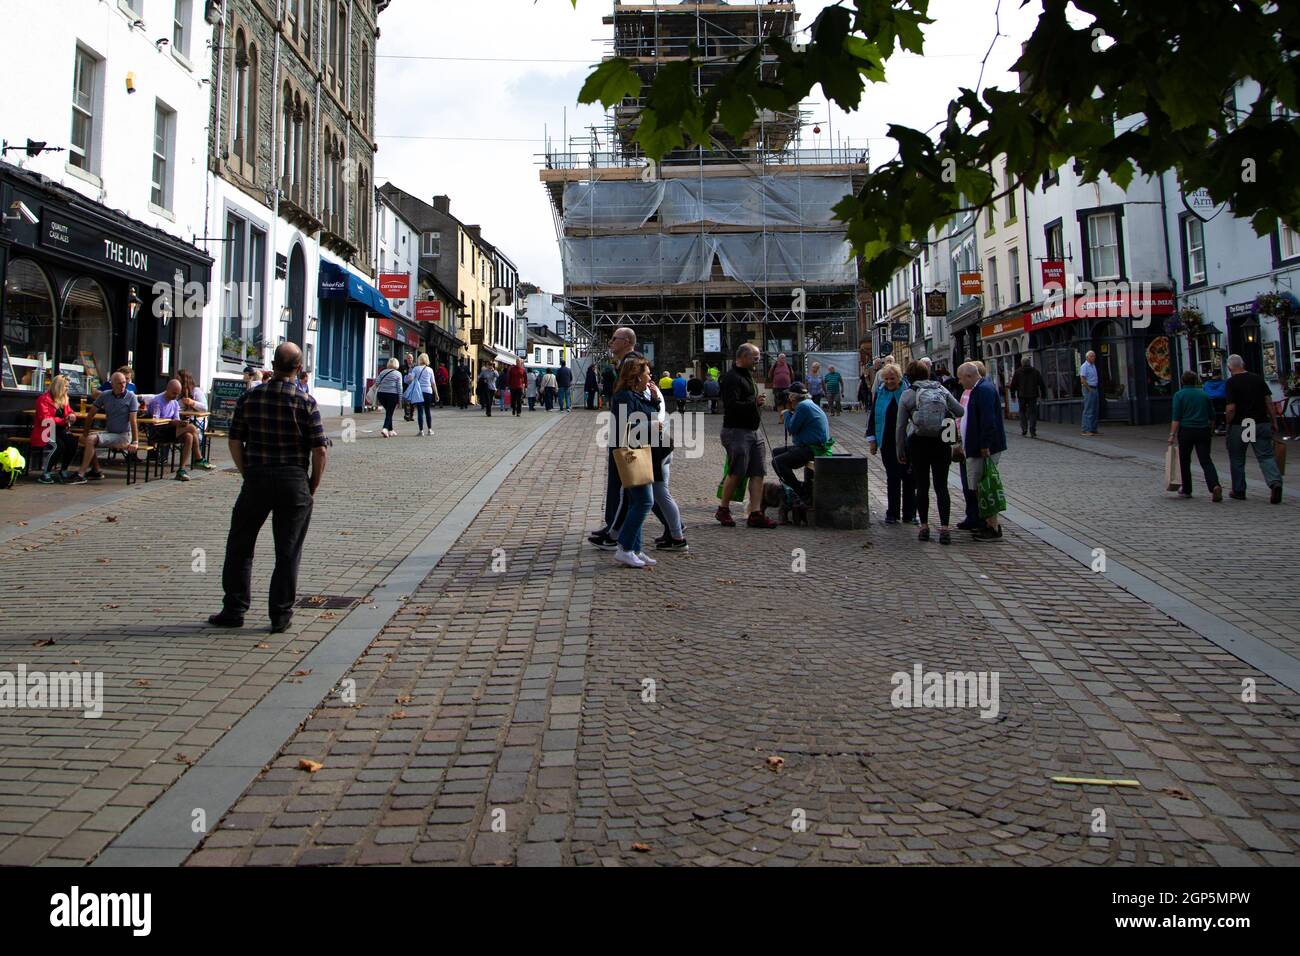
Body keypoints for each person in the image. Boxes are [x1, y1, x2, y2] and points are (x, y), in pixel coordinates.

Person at [209, 342, 327, 634]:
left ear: (273, 365)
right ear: (298, 368)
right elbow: (319, 450)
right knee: (287, 550)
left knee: (240, 544)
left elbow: (234, 440)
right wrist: (312, 483)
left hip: (257, 478)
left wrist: (245, 471)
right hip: (293, 480)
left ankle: (234, 608)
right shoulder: (306, 402)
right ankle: (280, 614)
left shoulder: (250, 398)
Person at [590, 328, 650, 549]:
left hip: (629, 435)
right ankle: (615, 528)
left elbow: (644, 396)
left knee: (637, 491)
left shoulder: (632, 363)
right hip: (624, 431)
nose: (610, 342)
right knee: (633, 489)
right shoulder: (624, 363)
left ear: (626, 341)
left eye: (614, 339)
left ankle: (617, 533)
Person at [895, 361, 964, 544]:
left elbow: (901, 426)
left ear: (909, 377)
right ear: (927, 373)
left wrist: (900, 450)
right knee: (942, 487)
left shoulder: (908, 395)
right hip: (941, 443)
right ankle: (945, 529)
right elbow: (960, 411)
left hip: (918, 444)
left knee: (922, 486)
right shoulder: (941, 390)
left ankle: (924, 527)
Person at [608, 358, 663, 568]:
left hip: (640, 449)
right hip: (630, 452)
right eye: (648, 373)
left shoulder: (636, 395)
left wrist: (656, 399)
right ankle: (625, 548)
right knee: (644, 502)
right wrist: (651, 424)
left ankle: (636, 549)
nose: (650, 377)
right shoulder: (624, 396)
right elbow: (627, 424)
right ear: (637, 376)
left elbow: (649, 411)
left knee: (636, 502)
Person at [717, 343, 778, 529]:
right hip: (736, 431)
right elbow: (731, 405)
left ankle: (756, 512)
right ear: (742, 357)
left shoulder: (747, 375)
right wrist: (754, 403)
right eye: (755, 357)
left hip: (753, 431)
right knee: (737, 472)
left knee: (758, 472)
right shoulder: (731, 378)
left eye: (758, 357)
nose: (758, 361)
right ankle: (723, 509)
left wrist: (755, 404)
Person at [1224, 353, 1284, 504]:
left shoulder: (1231, 383)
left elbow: (1231, 408)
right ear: (1243, 364)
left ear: (1229, 367)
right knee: (1266, 456)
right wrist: (1274, 421)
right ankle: (1275, 483)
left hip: (1241, 424)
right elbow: (1268, 401)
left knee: (1237, 458)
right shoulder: (1257, 379)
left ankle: (1239, 490)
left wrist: (1228, 423)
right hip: (1260, 422)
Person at [959, 361, 1008, 540]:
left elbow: (988, 420)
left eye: (961, 378)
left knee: (985, 487)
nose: (959, 382)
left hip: (982, 448)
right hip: (976, 447)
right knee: (980, 487)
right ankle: (987, 523)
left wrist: (985, 445)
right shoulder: (979, 389)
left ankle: (992, 526)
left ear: (970, 376)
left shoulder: (984, 390)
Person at [67, 371, 140, 483]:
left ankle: (81, 474)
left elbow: (133, 420)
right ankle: (96, 471)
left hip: (123, 435)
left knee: (91, 439)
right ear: (112, 384)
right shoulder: (105, 395)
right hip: (109, 432)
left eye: (124, 383)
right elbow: (91, 414)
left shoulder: (131, 397)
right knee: (88, 439)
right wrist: (85, 433)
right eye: (119, 383)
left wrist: (135, 441)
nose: (123, 386)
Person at [865, 363, 916, 525]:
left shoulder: (908, 392)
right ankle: (892, 513)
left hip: (907, 442)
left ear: (899, 378)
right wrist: (872, 439)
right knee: (892, 477)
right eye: (886, 379)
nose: (889, 382)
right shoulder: (881, 393)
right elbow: (874, 415)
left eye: (892, 378)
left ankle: (909, 513)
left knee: (908, 477)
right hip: (887, 441)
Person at [772, 381, 830, 506]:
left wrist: (787, 414)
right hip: (811, 445)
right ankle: (796, 488)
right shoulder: (808, 404)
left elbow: (792, 429)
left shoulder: (803, 407)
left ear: (792, 397)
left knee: (778, 461)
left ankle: (799, 491)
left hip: (813, 448)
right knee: (776, 452)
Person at [1169, 370, 1222, 501]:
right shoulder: (1204, 395)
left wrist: (1172, 434)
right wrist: (1211, 429)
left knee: (1185, 460)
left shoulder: (1179, 395)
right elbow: (1212, 416)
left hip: (1186, 430)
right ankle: (1214, 485)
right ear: (1195, 381)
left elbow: (1176, 417)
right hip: (1203, 430)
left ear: (1182, 381)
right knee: (1206, 460)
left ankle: (1187, 489)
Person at [146, 379, 202, 481]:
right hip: (158, 432)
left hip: (170, 430)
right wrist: (173, 422)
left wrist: (180, 422)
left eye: (177, 394)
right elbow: (155, 421)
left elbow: (176, 419)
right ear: (167, 389)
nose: (175, 396)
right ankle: (198, 458)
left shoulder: (175, 403)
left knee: (189, 436)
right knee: (191, 427)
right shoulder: (157, 401)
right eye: (173, 393)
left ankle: (181, 470)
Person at [31, 374, 79, 484]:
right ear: (58, 386)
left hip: (60, 430)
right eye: (65, 386)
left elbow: (70, 412)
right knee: (58, 446)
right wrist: (63, 421)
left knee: (72, 442)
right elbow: (44, 419)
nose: (67, 388)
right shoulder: (43, 399)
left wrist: (72, 416)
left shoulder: (64, 399)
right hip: (45, 431)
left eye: (68, 386)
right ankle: (45, 473)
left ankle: (64, 470)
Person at [176, 368, 215, 470]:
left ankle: (196, 460)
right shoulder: (177, 393)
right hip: (182, 421)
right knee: (191, 432)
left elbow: (204, 407)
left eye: (178, 378)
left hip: (197, 420)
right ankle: (198, 459)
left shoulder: (196, 391)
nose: (176, 380)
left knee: (193, 430)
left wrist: (192, 403)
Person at [1008, 356, 1044, 438]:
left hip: (1022, 395)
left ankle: (1024, 428)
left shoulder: (1018, 372)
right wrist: (1043, 394)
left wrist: (1013, 395)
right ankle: (1032, 430)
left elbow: (1013, 385)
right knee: (1033, 413)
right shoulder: (1035, 371)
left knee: (1022, 412)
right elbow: (1041, 384)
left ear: (1022, 363)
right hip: (1033, 395)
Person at [405, 353, 438, 435]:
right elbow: (433, 383)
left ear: (419, 359)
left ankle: (421, 431)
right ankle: (430, 430)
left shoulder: (415, 369)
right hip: (428, 392)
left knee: (420, 411)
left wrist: (408, 377)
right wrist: (436, 394)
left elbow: (410, 379)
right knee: (427, 411)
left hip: (418, 391)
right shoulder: (430, 370)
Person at [374, 358, 404, 436]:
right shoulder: (398, 374)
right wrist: (400, 400)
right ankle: (385, 428)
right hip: (392, 395)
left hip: (381, 394)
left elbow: (376, 383)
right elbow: (399, 387)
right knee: (389, 413)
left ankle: (391, 430)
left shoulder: (382, 372)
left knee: (388, 412)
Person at [1079, 350, 1101, 435]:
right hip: (1088, 389)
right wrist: (1088, 388)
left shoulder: (1093, 366)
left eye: (1094, 356)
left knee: (1095, 409)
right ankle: (1086, 429)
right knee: (1089, 409)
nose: (1093, 358)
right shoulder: (1084, 366)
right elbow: (1082, 379)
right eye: (1092, 356)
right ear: (1087, 357)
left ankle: (1093, 429)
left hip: (1094, 388)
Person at [1202, 368, 1228, 435]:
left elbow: (1204, 393)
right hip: (1221, 402)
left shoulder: (1206, 384)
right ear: (1219, 374)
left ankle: (1213, 426)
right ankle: (1222, 424)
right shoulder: (1224, 383)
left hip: (1210, 402)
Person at [399, 353, 415, 421]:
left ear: (413, 359)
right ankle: (407, 414)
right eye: (408, 358)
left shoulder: (415, 367)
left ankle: (411, 415)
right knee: (406, 401)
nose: (409, 359)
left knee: (412, 402)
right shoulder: (402, 367)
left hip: (413, 387)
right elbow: (399, 376)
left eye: (411, 358)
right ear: (406, 359)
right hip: (405, 386)